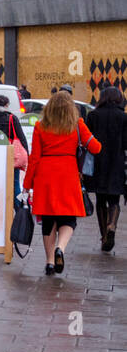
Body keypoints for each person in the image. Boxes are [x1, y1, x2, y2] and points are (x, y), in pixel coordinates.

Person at [25, 91, 101, 276]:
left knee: (48, 219)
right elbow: (96, 147)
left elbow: (34, 158)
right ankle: (61, 247)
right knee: (68, 217)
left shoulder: (40, 126)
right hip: (68, 173)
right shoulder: (77, 125)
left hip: (45, 174)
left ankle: (50, 262)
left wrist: (28, 183)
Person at [86, 86, 127, 252]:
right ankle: (112, 225)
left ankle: (104, 236)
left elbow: (88, 141)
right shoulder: (124, 117)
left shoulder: (93, 116)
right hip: (117, 163)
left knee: (101, 200)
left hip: (98, 164)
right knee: (115, 200)